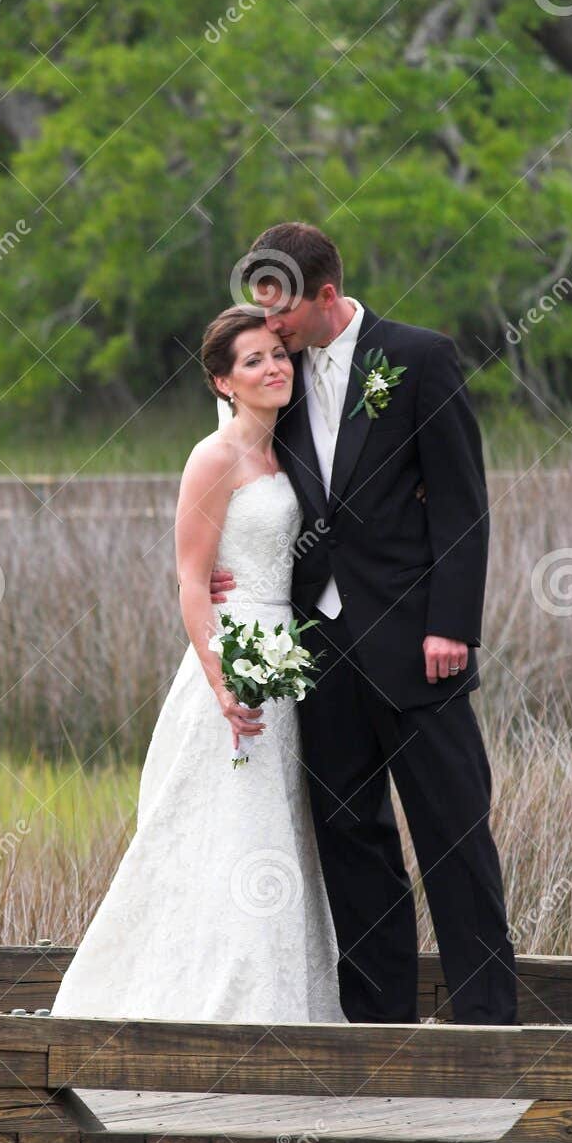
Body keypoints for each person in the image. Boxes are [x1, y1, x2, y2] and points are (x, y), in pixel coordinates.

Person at [211, 222, 517, 1026]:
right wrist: (228, 573)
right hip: (318, 648)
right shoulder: (273, 378)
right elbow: (241, 477)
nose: (267, 330)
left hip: (420, 642)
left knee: (452, 832)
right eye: (257, 311)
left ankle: (486, 1023)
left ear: (323, 294)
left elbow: (461, 503)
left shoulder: (417, 358)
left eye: (278, 312)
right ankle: (380, 1023)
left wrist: (451, 622)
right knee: (351, 835)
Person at [49, 306, 344, 1024]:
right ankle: (229, 1009)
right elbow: (189, 580)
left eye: (278, 353)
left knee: (282, 831)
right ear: (222, 381)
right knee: (237, 829)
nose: (273, 367)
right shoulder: (213, 458)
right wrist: (221, 680)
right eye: (252, 361)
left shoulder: (291, 450)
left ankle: (290, 1004)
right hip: (236, 664)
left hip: (290, 667)